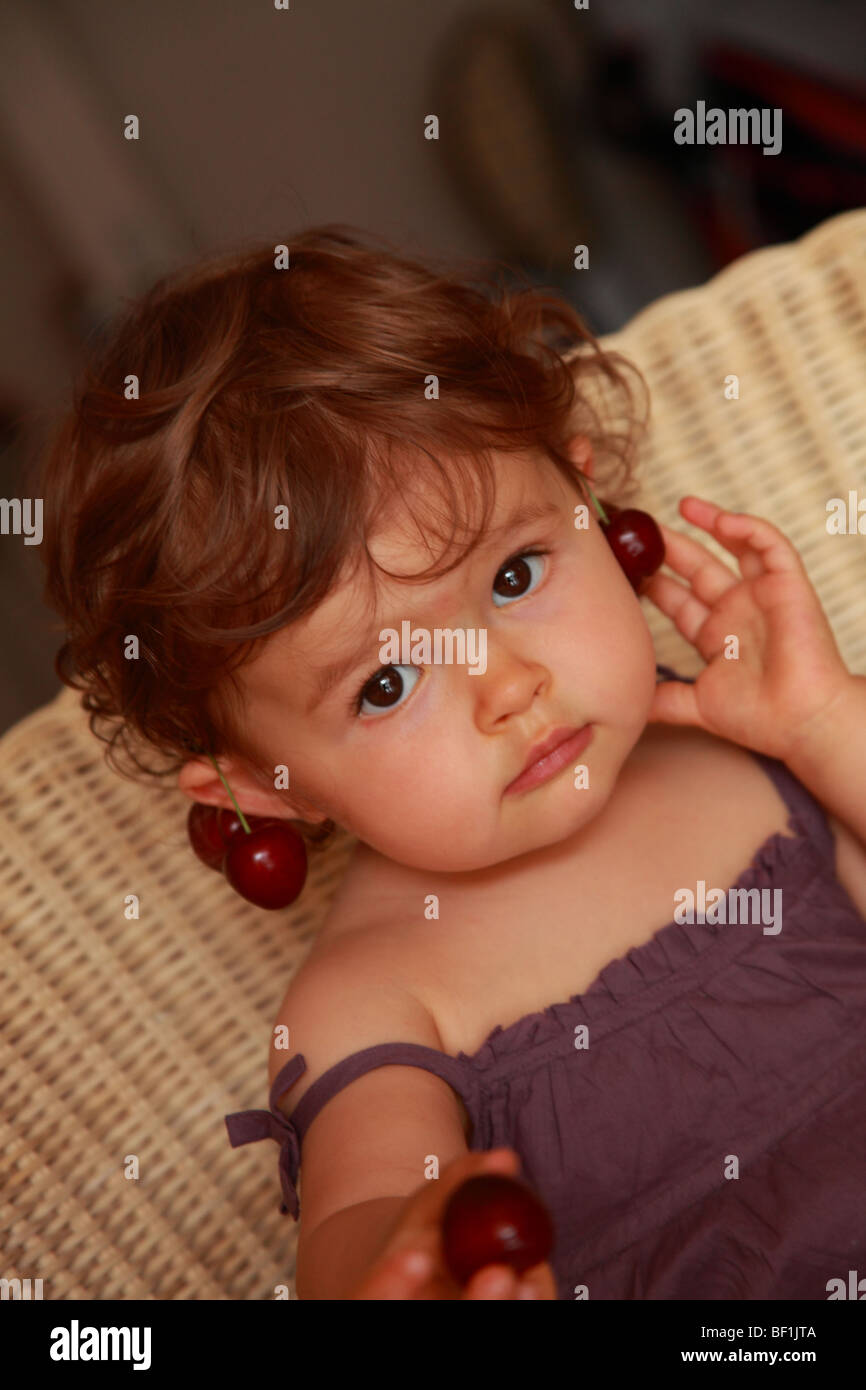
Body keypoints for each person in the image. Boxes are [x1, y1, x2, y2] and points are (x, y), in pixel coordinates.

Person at [37, 227, 866, 1300]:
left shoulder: (751, 758)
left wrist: (824, 720)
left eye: (516, 573)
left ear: (586, 495)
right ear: (260, 788)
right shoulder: (374, 995)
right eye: (386, 682)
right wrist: (404, 1265)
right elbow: (364, 1214)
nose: (507, 684)